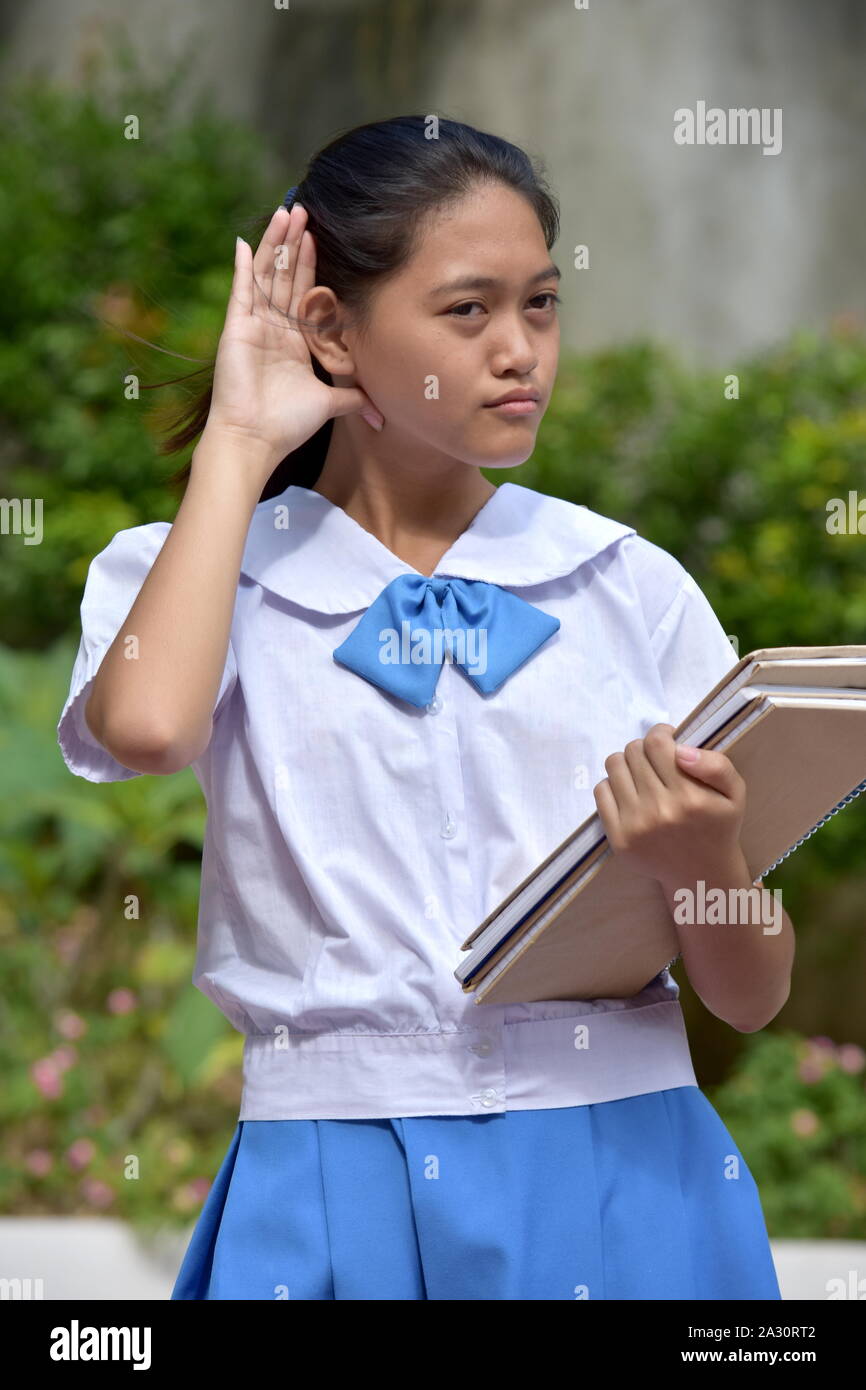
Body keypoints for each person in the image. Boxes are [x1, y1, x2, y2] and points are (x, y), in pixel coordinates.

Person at [56, 114, 790, 1300]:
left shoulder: (624, 583)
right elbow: (146, 729)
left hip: (626, 1169)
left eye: (540, 303)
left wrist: (704, 854)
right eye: (468, 310)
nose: (521, 351)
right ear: (332, 331)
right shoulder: (207, 569)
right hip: (333, 1173)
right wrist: (239, 442)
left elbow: (750, 993)